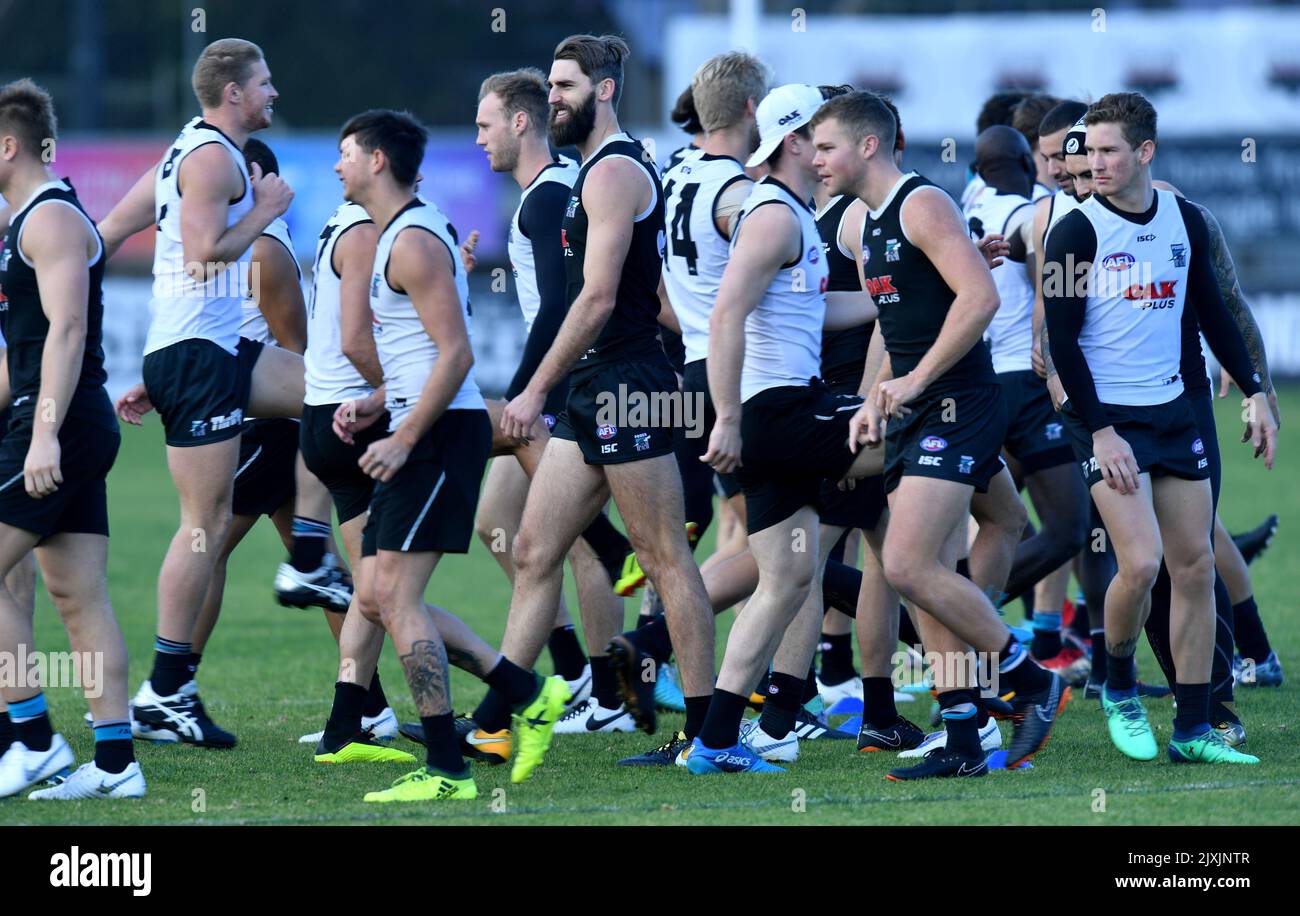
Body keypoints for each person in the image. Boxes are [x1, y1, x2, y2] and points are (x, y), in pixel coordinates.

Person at [814, 90, 1067, 779]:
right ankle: (963, 734)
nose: (815, 159)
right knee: (938, 564)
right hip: (919, 409)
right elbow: (900, 324)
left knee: (904, 564)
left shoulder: (919, 203)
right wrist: (873, 399)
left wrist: (915, 381)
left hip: (959, 403)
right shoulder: (867, 226)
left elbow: (979, 301)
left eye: (827, 146)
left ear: (869, 145)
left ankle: (1033, 681)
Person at [490, 34, 717, 782]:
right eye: (550, 86)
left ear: (605, 90)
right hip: (596, 389)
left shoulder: (615, 171)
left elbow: (594, 299)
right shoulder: (590, 169)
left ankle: (711, 736)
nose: (551, 96)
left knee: (660, 556)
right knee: (532, 549)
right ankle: (494, 723)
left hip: (626, 384)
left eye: (565, 85)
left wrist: (530, 390)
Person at [1043, 92, 1274, 765]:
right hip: (1108, 421)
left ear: (1145, 152)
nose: (1096, 163)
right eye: (1090, 151)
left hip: (1176, 414)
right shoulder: (1075, 233)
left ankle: (1194, 729)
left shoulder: (1184, 220)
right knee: (1140, 564)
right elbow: (1061, 345)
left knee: (1196, 564)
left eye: (1110, 150)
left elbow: (1212, 312)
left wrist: (1256, 391)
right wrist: (1103, 432)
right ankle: (1119, 684)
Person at [100, 38, 307, 748]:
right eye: (265, 82)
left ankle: (312, 550)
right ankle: (164, 691)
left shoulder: (182, 150)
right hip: (199, 356)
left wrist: (161, 369)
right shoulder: (214, 157)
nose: (273, 93)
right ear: (234, 93)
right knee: (205, 524)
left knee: (334, 395)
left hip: (206, 353)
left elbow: (108, 233)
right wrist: (267, 209)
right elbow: (200, 257)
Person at [471, 68, 634, 735]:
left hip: (569, 385)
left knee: (576, 545)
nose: (477, 137)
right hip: (559, 381)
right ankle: (571, 671)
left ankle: (610, 697)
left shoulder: (546, 198)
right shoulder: (549, 193)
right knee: (498, 523)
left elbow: (565, 307)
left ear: (519, 123)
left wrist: (525, 394)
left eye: (485, 124)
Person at [0, 79, 144, 798]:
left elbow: (69, 329)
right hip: (64, 421)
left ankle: (29, 738)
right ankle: (117, 765)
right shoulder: (22, 220)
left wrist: (44, 435)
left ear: (7, 145)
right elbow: (24, 345)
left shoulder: (49, 219)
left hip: (58, 423)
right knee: (78, 594)